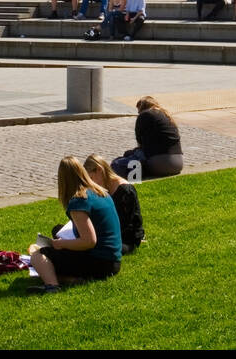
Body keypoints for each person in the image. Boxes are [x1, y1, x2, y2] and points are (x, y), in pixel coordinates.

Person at [28, 157, 122, 293]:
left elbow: (89, 241)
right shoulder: (101, 192)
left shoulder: (79, 201)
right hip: (113, 261)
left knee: (37, 256)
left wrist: (61, 244)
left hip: (100, 263)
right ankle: (69, 279)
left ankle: (52, 286)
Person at [113, 96, 184, 179]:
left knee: (116, 163)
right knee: (130, 154)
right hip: (178, 163)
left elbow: (140, 143)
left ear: (141, 107)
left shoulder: (144, 115)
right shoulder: (166, 115)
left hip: (159, 164)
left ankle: (137, 173)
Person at [84, 155, 144, 254]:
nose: (91, 183)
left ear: (99, 170)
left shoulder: (125, 190)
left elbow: (126, 225)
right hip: (107, 233)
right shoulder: (102, 187)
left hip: (125, 238)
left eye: (91, 178)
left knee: (93, 246)